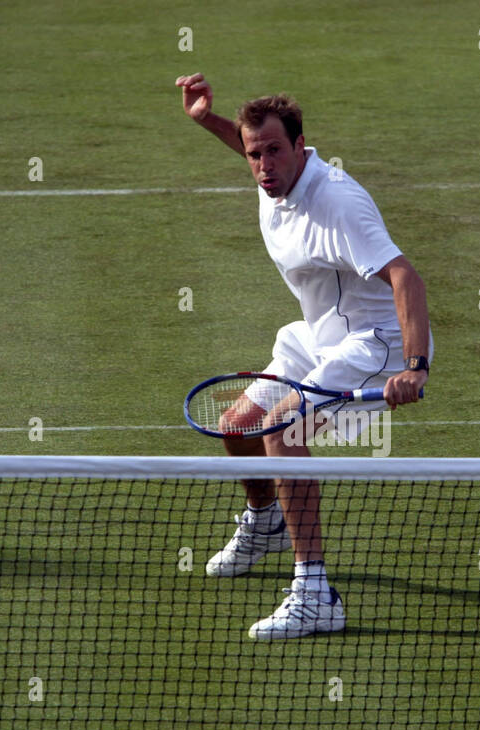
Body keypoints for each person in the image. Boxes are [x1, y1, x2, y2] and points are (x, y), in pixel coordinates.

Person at [176, 72, 433, 639]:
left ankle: (315, 593)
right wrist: (207, 121)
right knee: (236, 429)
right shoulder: (271, 177)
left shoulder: (338, 203)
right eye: (253, 154)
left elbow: (404, 275)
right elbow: (248, 143)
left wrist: (414, 366)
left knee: (282, 426)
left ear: (300, 146)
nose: (263, 165)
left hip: (377, 342)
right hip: (317, 333)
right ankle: (266, 521)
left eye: (274, 151)